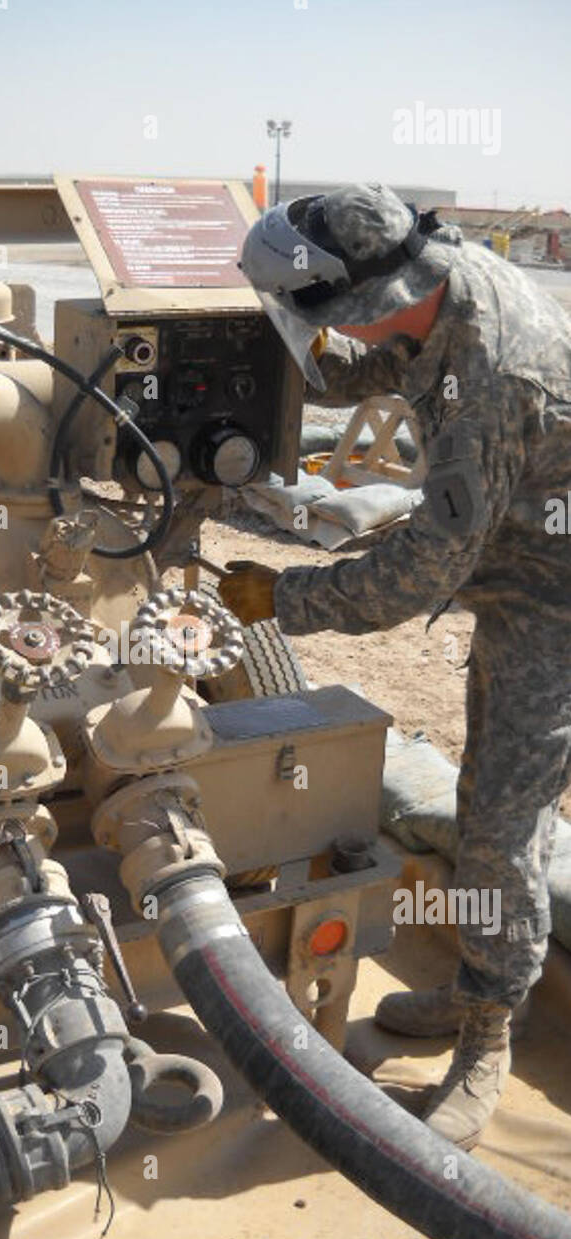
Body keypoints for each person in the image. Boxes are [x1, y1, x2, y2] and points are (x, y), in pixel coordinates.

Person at [221, 182, 571, 1149]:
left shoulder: (500, 375)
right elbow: (384, 369)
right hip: (515, 544)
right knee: (492, 792)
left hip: (556, 589)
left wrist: (281, 600)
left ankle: (492, 1029)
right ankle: (478, 986)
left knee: (502, 812)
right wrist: (280, 361)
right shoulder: (432, 287)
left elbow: (417, 576)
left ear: (359, 295)